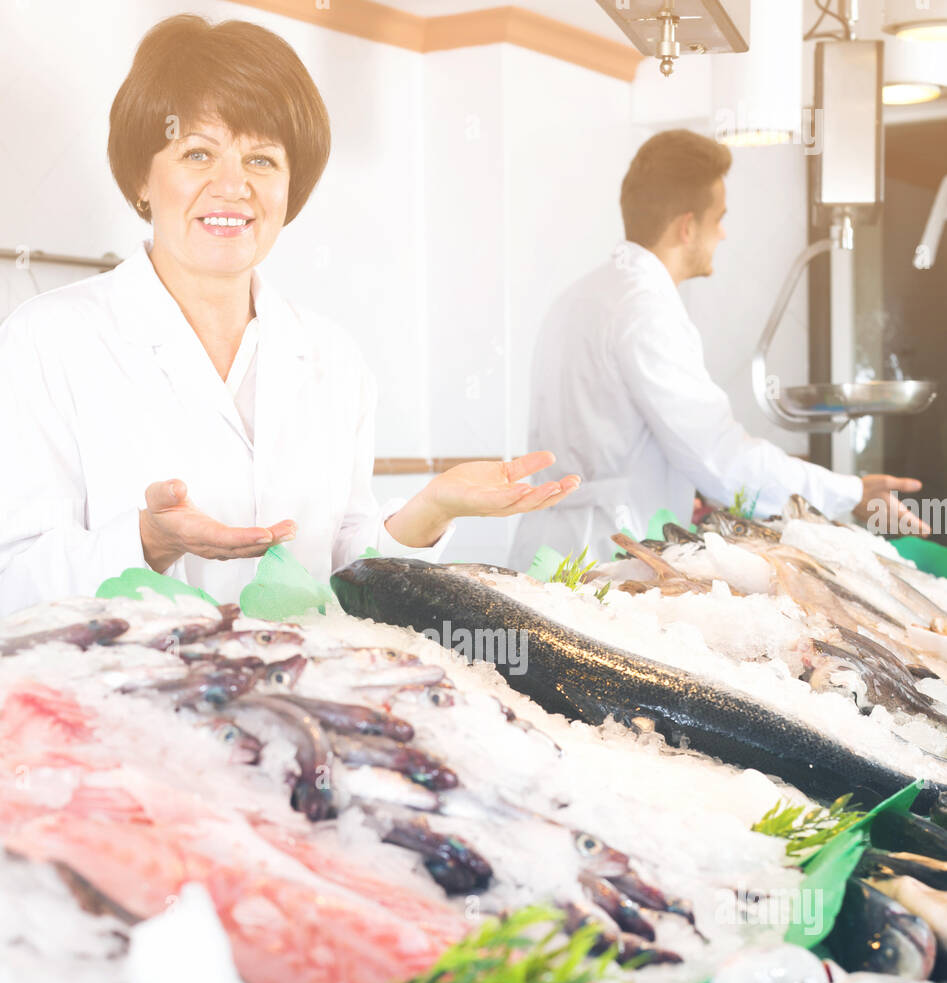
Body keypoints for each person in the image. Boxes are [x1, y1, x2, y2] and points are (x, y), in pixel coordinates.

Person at [0, 15, 579, 617]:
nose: (232, 186)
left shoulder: (334, 356)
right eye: (198, 153)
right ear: (142, 178)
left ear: (289, 189)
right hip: (123, 698)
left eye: (262, 160)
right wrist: (145, 543)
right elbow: (12, 579)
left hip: (303, 693)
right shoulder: (46, 341)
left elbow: (344, 567)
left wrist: (430, 510)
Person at [508, 129, 924, 572]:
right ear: (687, 227)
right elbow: (722, 461)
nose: (723, 234)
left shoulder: (579, 297)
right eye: (719, 218)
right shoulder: (646, 310)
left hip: (544, 552)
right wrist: (851, 493)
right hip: (602, 558)